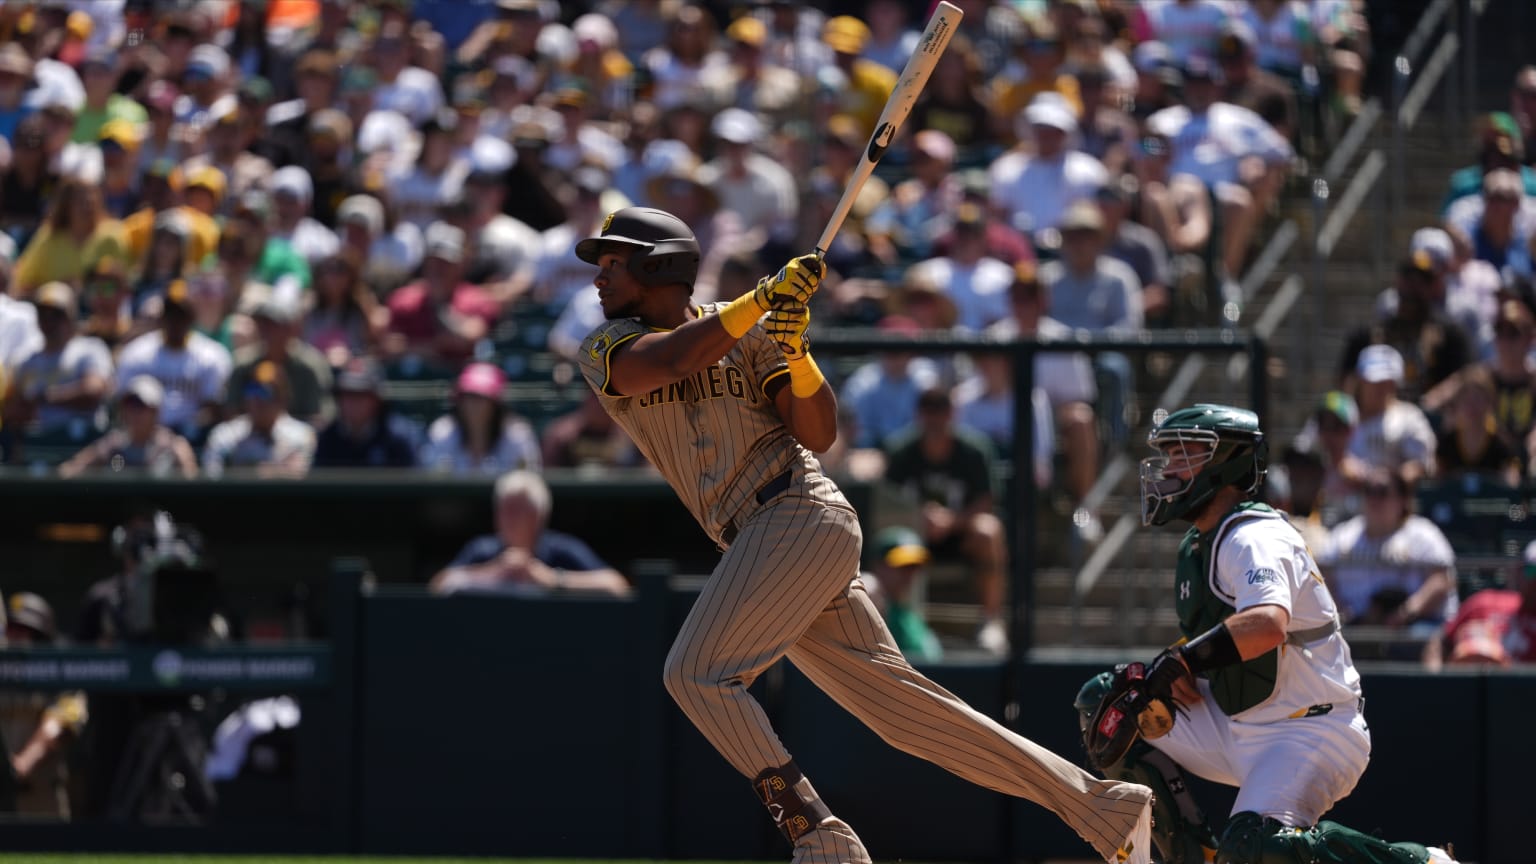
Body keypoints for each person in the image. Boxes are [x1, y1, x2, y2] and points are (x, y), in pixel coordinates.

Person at [571, 206, 1153, 864]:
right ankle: (1101, 809)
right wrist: (759, 300)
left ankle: (818, 835)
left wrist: (797, 352)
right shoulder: (607, 345)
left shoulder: (749, 332)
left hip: (795, 512)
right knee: (907, 716)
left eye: (614, 262)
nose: (599, 277)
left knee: (695, 673)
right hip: (765, 542)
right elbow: (670, 361)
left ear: (658, 265)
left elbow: (818, 431)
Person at [1076, 403, 1461, 864]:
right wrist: (1175, 671)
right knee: (1111, 701)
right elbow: (1220, 642)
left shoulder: (1252, 536)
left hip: (1310, 726)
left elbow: (1268, 624)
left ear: (1224, 465)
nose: (1169, 469)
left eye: (1185, 455)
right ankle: (1192, 854)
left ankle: (1420, 861)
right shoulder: (1200, 544)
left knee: (1255, 848)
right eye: (1169, 456)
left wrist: (1181, 663)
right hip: (1242, 720)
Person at [429, 469, 629, 596]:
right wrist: (493, 572)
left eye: (517, 510)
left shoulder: (563, 549)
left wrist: (552, 579)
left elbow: (617, 586)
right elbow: (439, 586)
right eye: (504, 509)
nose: (508, 518)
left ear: (539, 516)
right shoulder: (482, 549)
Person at [1315, 469, 1458, 633]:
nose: (1374, 499)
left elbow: (1441, 580)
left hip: (1412, 624)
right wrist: (1341, 612)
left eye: (1382, 492)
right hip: (1353, 625)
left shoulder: (1423, 534)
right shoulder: (1344, 536)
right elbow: (1322, 576)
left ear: (1402, 500)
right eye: (1369, 491)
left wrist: (1406, 612)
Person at [0, 592, 88, 819]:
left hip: (40, 796)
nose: (16, 637)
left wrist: (21, 766)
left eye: (25, 631)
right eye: (12, 629)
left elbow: (61, 721)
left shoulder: (60, 674)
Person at [2, 281, 114, 437]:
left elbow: (93, 391)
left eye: (56, 315)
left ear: (71, 316)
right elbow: (13, 410)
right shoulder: (24, 359)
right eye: (43, 314)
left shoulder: (89, 349)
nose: (49, 321)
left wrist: (46, 398)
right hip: (38, 443)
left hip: (81, 439)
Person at [1424, 539, 1536, 669]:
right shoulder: (1484, 603)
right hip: (1468, 685)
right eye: (1532, 571)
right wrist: (1436, 680)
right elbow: (1440, 643)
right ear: (1519, 571)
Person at [58, 376, 199, 479]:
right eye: (130, 405)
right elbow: (71, 469)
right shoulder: (114, 443)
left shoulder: (173, 446)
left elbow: (191, 479)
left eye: (141, 406)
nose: (134, 412)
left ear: (156, 411)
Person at [416, 362, 541, 476]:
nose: (472, 404)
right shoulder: (443, 432)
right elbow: (431, 477)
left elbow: (528, 481)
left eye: (480, 397)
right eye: (467, 396)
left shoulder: (517, 436)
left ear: (495, 403)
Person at [202, 360, 317, 479]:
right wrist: (274, 471)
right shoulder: (225, 434)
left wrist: (255, 471)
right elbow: (212, 477)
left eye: (265, 392)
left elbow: (299, 478)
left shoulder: (301, 435)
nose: (256, 399)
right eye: (252, 389)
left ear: (283, 399)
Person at [313, 358, 418, 469]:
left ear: (377, 400)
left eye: (360, 396)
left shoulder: (400, 437)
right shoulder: (327, 439)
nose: (351, 403)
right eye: (346, 395)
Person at [860, 526, 943, 663]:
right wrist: (862, 590)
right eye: (902, 566)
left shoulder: (908, 614)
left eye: (913, 567)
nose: (909, 574)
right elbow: (866, 590)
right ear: (878, 565)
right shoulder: (872, 600)